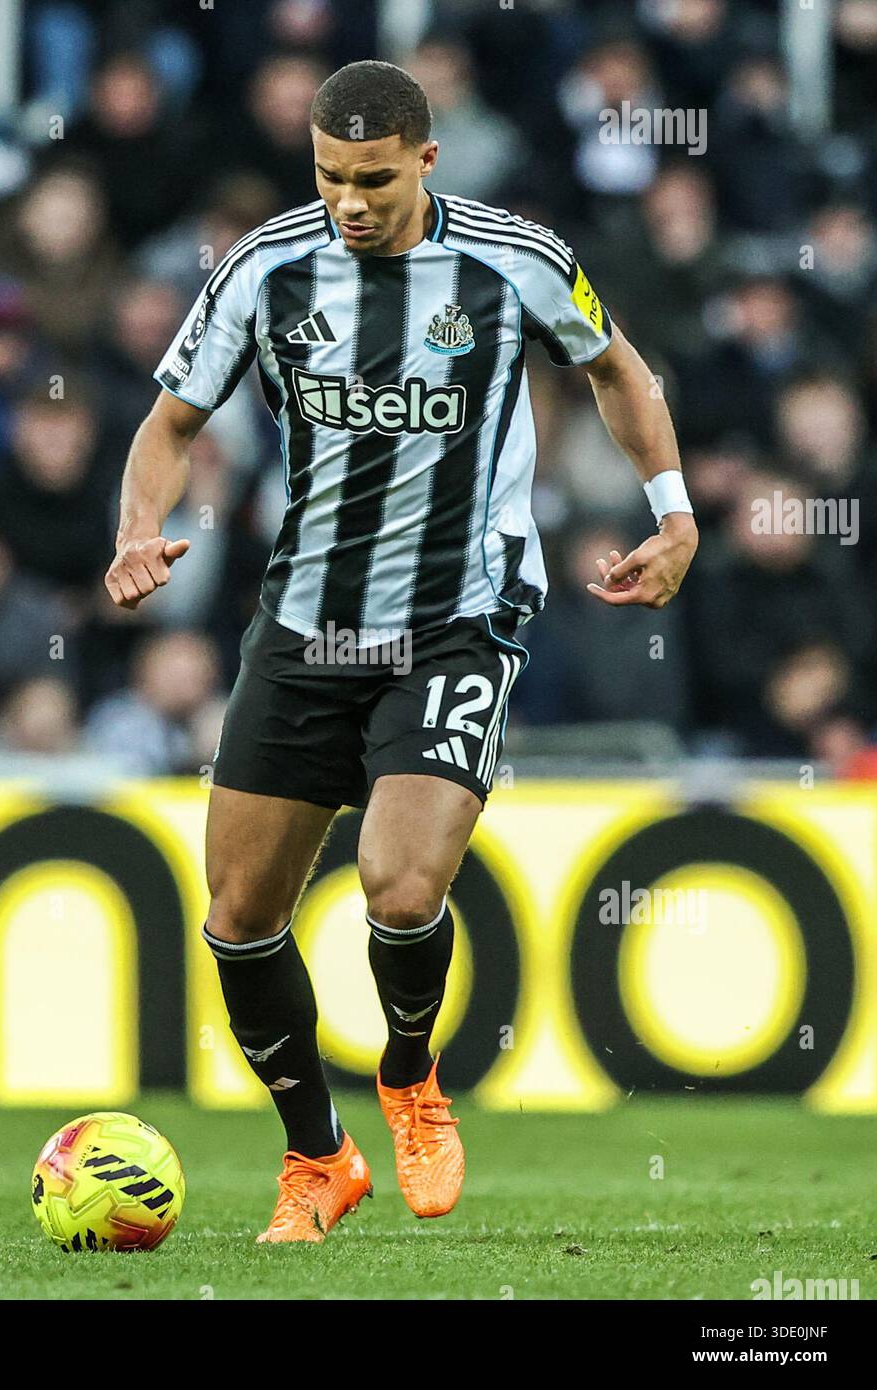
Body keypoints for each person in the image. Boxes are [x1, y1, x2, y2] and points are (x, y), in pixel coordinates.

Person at [104, 61, 698, 1243]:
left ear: (426, 161)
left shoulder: (514, 257)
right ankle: (317, 1157)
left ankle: (412, 1075)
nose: (350, 201)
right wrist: (134, 525)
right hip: (306, 621)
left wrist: (674, 513)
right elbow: (171, 421)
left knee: (400, 879)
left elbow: (616, 368)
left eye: (373, 178)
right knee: (237, 912)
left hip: (459, 613)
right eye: (329, 176)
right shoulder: (262, 267)